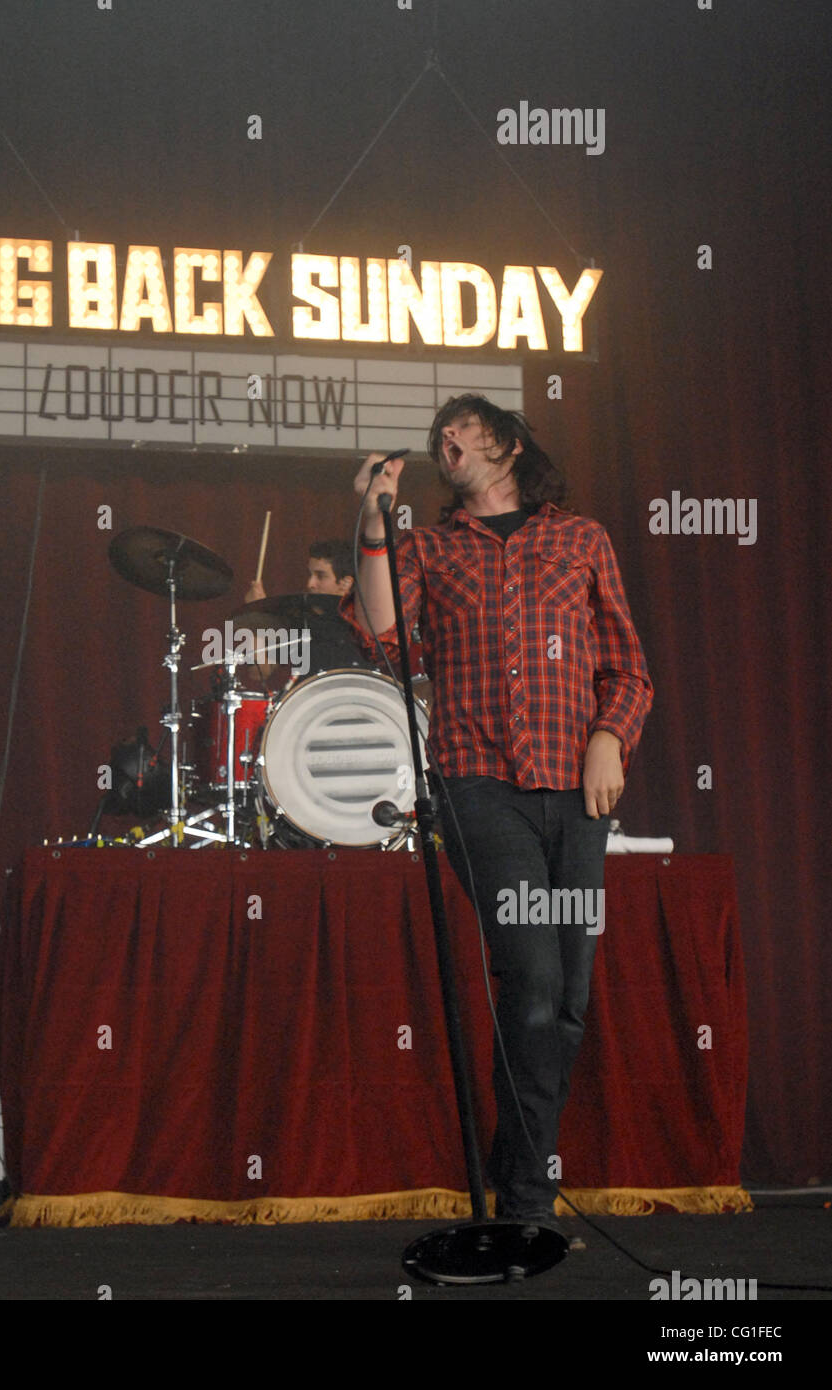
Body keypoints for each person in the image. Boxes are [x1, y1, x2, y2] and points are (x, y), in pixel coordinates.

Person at [344, 393, 653, 1226]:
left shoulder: (580, 539)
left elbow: (628, 670)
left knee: (566, 1001)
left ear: (508, 444)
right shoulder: (430, 548)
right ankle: (525, 1205)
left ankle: (514, 1170)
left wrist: (607, 740)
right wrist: (373, 527)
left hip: (576, 794)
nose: (443, 440)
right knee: (532, 982)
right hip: (478, 787)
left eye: (461, 428)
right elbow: (377, 630)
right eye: (435, 434)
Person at [245, 539, 354, 604]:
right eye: (310, 575)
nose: (310, 584)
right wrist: (257, 609)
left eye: (320, 576)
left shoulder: (360, 624)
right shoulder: (301, 616)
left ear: (346, 583)